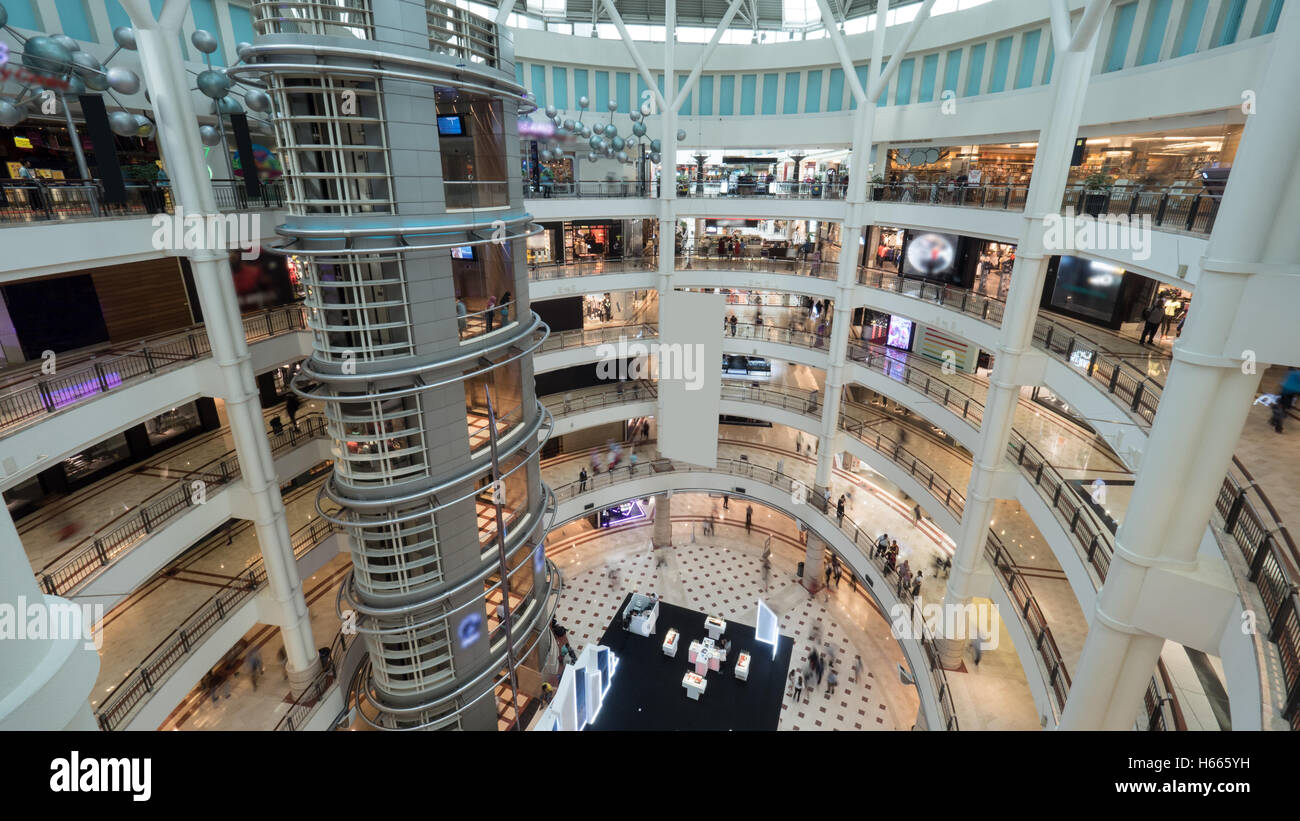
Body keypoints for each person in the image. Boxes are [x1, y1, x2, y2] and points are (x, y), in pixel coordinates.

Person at [1271, 369, 1300, 433]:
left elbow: (1283, 383)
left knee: (1281, 407)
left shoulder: (1292, 372)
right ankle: (1278, 425)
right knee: (1283, 409)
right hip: (1292, 392)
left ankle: (1274, 419)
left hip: (1285, 390)